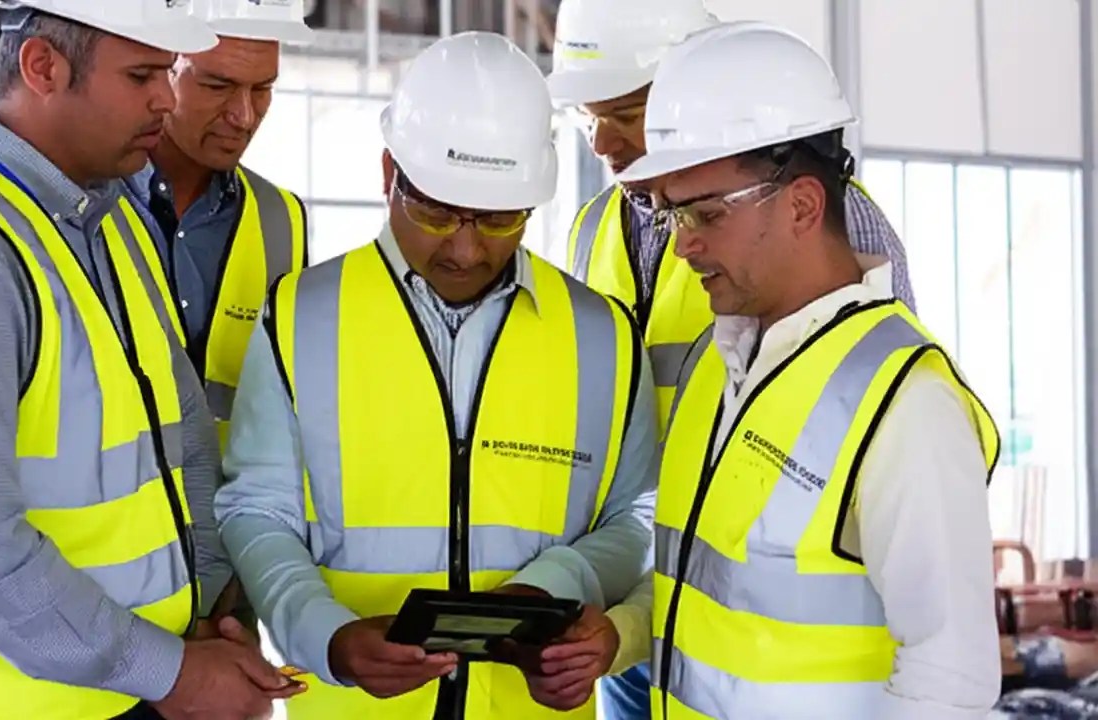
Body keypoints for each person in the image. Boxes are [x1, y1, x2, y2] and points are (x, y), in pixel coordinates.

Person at [0, 2, 302, 719]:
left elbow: (182, 442)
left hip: (143, 686)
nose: (166, 98)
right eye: (142, 75)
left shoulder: (109, 223)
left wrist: (207, 615)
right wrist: (174, 672)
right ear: (42, 67)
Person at [214, 30, 657, 719]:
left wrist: (557, 586)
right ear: (388, 173)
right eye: (436, 211)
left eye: (498, 219)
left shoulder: (602, 334)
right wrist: (327, 637)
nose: (465, 248)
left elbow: (637, 514)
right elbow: (256, 510)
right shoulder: (302, 315)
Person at [615, 21, 1000, 718]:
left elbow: (949, 681)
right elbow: (705, 592)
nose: (682, 248)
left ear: (802, 205)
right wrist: (619, 635)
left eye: (705, 215)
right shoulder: (714, 365)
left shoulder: (905, 404)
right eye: (673, 216)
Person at [543, 2, 919, 716]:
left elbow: (877, 408)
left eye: (624, 113)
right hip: (631, 599)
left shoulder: (828, 223)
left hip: (757, 617)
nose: (601, 143)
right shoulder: (591, 227)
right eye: (588, 117)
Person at [124, 0, 311, 452]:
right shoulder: (83, 203)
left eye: (262, 88)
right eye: (217, 86)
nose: (244, 116)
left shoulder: (281, 220)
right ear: (162, 67)